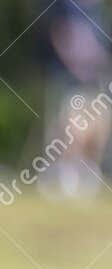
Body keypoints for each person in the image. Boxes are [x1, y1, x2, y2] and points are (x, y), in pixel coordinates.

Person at [38, 0, 112, 196]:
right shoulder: (63, 7)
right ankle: (63, 176)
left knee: (98, 127)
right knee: (70, 129)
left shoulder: (97, 11)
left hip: (94, 79)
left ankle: (86, 174)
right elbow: (60, 34)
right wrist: (77, 65)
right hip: (68, 78)